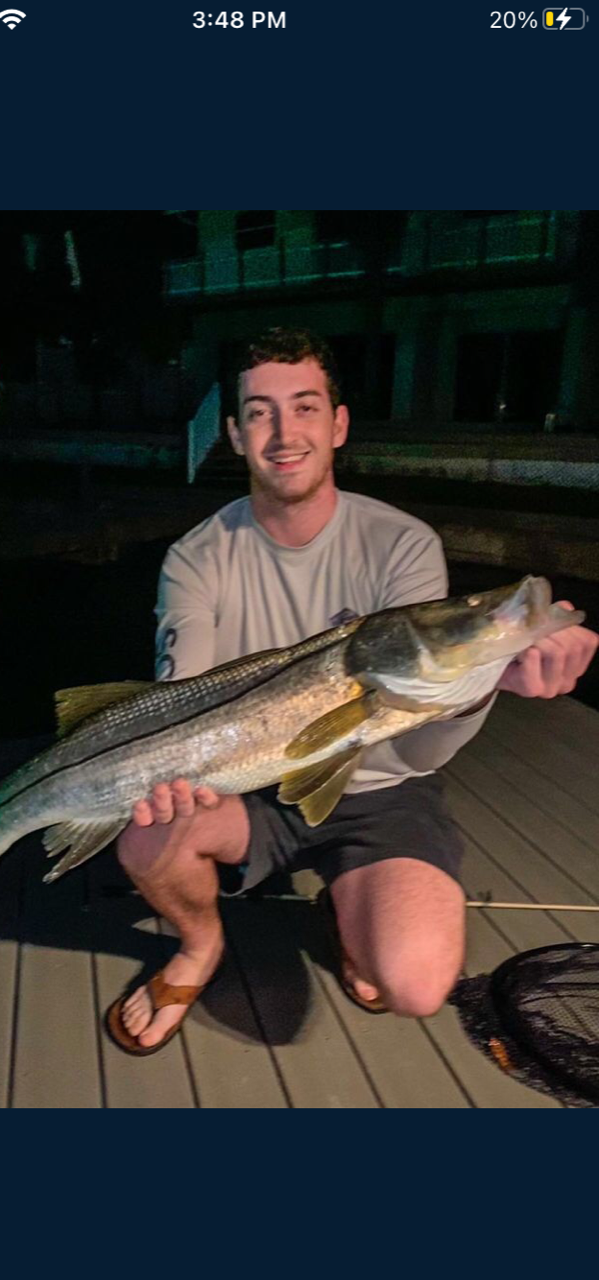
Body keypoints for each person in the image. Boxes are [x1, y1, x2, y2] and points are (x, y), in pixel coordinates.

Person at [105, 327, 599, 1056]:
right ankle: (200, 946)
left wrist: (487, 678)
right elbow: (181, 689)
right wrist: (174, 774)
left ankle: (350, 899)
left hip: (382, 791)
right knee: (148, 835)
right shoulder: (196, 557)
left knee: (415, 984)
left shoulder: (401, 544)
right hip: (255, 789)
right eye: (261, 413)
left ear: (336, 425)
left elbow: (420, 741)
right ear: (236, 434)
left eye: (304, 407)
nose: (283, 432)